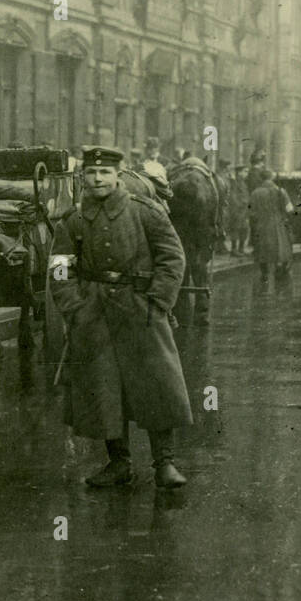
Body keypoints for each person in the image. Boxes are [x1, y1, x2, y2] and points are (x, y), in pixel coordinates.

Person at [50, 146, 191, 489]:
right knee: (102, 389)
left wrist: (158, 302)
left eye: (105, 173)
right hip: (94, 314)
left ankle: (165, 463)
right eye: (91, 173)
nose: (98, 179)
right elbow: (59, 269)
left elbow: (172, 257)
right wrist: (74, 307)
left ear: (118, 175)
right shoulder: (73, 220)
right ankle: (118, 463)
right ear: (83, 177)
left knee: (157, 384)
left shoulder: (145, 211)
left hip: (141, 310)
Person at [249, 167, 295, 283]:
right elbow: (289, 209)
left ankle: (264, 274)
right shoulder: (280, 191)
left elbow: (251, 210)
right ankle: (279, 273)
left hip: (261, 225)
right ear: (272, 177)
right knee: (280, 248)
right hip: (278, 224)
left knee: (262, 250)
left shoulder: (255, 192)